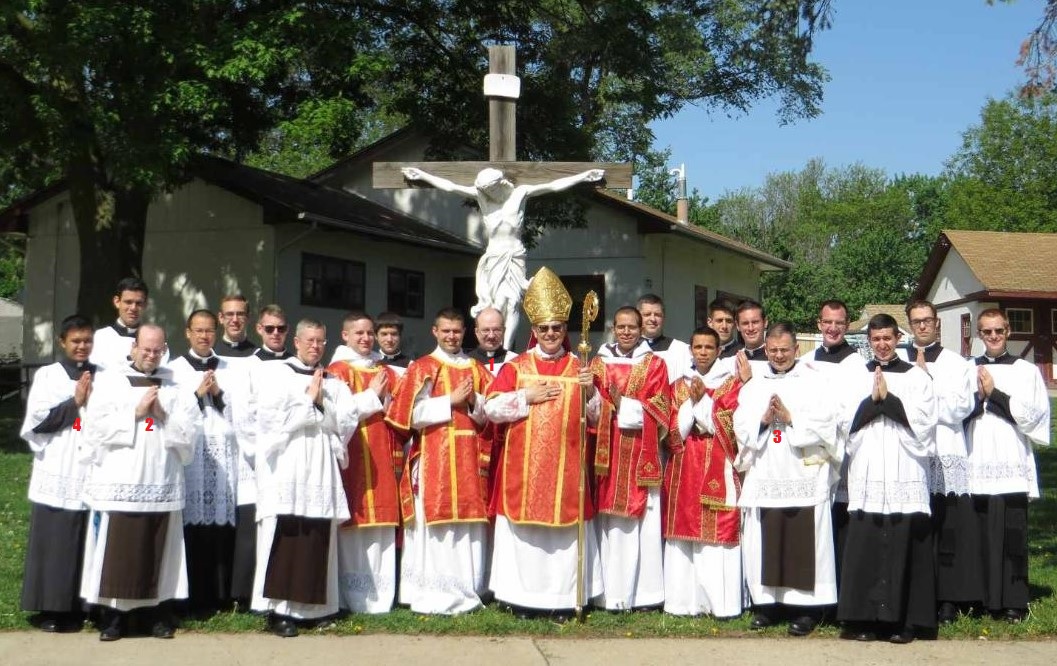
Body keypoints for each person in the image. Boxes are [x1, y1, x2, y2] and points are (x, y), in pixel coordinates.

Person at [483, 267, 603, 618]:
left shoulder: (580, 368)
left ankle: (563, 600)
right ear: (533, 331)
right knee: (524, 536)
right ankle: (520, 597)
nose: (550, 334)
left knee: (563, 540)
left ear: (565, 330)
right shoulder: (516, 367)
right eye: (544, 328)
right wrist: (526, 396)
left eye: (557, 328)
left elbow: (597, 417)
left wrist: (591, 390)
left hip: (567, 469)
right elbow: (490, 408)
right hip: (523, 468)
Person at [80, 324, 201, 641]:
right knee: (119, 551)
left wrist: (162, 413)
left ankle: (157, 615)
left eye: (157, 350)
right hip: (123, 480)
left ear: (164, 350)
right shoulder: (111, 382)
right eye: (146, 349)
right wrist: (135, 413)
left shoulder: (175, 385)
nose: (151, 355)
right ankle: (114, 618)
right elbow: (94, 430)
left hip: (162, 480)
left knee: (160, 550)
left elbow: (191, 436)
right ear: (134, 347)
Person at [401, 165, 604, 350]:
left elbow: (552, 186)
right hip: (495, 257)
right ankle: (494, 345)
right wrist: (422, 175)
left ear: (500, 184)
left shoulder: (520, 193)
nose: (490, 194)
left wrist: (584, 177)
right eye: (487, 191)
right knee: (496, 303)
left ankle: (506, 349)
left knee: (514, 301)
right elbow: (450, 187)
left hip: (515, 256)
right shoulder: (482, 198)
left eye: (492, 190)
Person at [251, 319, 358, 637]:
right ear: (296, 342)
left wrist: (320, 404)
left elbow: (347, 419)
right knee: (288, 530)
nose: (315, 346)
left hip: (322, 462)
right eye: (310, 340)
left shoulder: (335, 381)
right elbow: (270, 421)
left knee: (317, 530)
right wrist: (310, 402)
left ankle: (315, 608)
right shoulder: (276, 375)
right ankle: (280, 611)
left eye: (321, 341)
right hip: (289, 463)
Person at [734, 323, 840, 636]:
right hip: (767, 468)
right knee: (766, 537)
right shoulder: (753, 385)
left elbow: (828, 423)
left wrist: (791, 418)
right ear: (765, 350)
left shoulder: (814, 382)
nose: (779, 356)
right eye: (774, 350)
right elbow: (741, 424)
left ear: (797, 350)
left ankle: (805, 610)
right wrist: (764, 420)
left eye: (785, 350)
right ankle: (768, 606)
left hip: (802, 469)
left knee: (802, 538)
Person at [837, 314, 937, 644]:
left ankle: (904, 621)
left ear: (898, 339)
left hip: (903, 471)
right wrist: (871, 402)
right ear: (869, 341)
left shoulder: (916, 377)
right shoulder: (854, 377)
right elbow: (841, 421)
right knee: (865, 545)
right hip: (868, 472)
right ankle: (862, 619)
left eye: (888, 338)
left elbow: (925, 424)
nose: (882, 345)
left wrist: (889, 401)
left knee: (903, 543)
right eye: (876, 339)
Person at [385, 308, 493, 614]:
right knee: (436, 526)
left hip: (469, 457)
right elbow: (407, 415)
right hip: (434, 457)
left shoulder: (476, 368)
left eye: (457, 331)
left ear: (465, 333)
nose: (451, 336)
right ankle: (432, 593)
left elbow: (491, 414)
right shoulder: (422, 367)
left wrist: (473, 401)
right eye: (446, 331)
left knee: (467, 525)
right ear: (435, 331)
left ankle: (468, 589)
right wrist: (450, 401)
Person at [964, 308, 1051, 623]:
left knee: (1012, 535)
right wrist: (977, 399)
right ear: (979, 335)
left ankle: (1013, 601)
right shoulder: (967, 369)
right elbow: (954, 411)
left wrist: (995, 394)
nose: (994, 337)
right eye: (987, 332)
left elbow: (1035, 416)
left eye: (999, 331)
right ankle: (983, 599)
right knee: (979, 535)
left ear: (1009, 331)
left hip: (1011, 462)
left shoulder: (1025, 371)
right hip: (976, 461)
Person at [899, 300, 979, 623]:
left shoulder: (957, 363)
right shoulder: (898, 360)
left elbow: (961, 407)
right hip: (911, 453)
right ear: (909, 324)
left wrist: (924, 386)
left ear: (936, 324)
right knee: (918, 530)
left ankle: (948, 598)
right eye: (916, 321)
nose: (921, 326)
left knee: (948, 529)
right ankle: (919, 595)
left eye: (927, 320)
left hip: (947, 451)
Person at [661, 326, 749, 618]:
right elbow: (672, 430)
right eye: (697, 347)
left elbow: (730, 428)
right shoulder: (677, 385)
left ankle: (720, 604)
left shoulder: (731, 384)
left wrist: (702, 403)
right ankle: (683, 602)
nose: (702, 353)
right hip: (684, 467)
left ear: (719, 350)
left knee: (715, 535)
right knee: (684, 534)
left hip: (717, 464)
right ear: (690, 350)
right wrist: (692, 407)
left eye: (709, 347)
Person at [590, 306, 671, 610]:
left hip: (639, 453)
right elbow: (591, 412)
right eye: (621, 327)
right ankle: (605, 593)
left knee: (642, 525)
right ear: (613, 328)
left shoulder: (654, 364)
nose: (626, 332)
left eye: (632, 327)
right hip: (605, 454)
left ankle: (642, 594)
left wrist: (623, 403)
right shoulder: (598, 362)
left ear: (641, 329)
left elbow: (661, 410)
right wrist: (591, 396)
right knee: (605, 521)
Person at [20, 315, 96, 633]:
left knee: (83, 538)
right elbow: (39, 421)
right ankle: (51, 609)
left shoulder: (103, 376)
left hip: (90, 467)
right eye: (75, 341)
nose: (81, 346)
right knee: (54, 540)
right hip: (58, 463)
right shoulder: (48, 376)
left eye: (87, 341)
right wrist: (75, 401)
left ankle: (80, 607)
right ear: (62, 342)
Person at [167, 309, 243, 615]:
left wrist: (219, 393)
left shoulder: (230, 367)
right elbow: (168, 415)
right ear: (188, 333)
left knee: (221, 524)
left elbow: (243, 413)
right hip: (192, 454)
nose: (204, 336)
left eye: (209, 330)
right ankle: (193, 597)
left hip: (224, 453)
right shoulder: (173, 370)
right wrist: (197, 395)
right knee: (193, 526)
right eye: (198, 331)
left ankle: (221, 595)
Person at [326, 313, 403, 614]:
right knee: (353, 526)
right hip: (352, 457)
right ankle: (353, 598)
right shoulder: (336, 371)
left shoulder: (385, 370)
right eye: (358, 333)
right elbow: (334, 415)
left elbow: (402, 410)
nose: (366, 339)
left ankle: (380, 599)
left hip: (383, 456)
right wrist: (372, 396)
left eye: (370, 333)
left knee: (382, 526)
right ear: (345, 336)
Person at [229, 304, 290, 609]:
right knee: (252, 528)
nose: (276, 334)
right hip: (255, 459)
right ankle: (243, 594)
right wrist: (258, 454)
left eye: (281, 328)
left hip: (288, 460)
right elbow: (241, 415)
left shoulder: (295, 364)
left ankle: (277, 588)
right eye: (270, 329)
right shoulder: (248, 367)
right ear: (259, 330)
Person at [805, 299, 863, 585]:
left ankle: (841, 585)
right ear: (819, 323)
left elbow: (853, 409)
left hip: (843, 451)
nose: (833, 328)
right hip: (813, 452)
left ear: (847, 325)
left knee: (841, 519)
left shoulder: (857, 365)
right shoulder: (806, 362)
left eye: (839, 323)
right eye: (827, 322)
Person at [90, 277, 169, 369]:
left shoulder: (155, 341)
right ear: (117, 302)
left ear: (146, 305)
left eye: (139, 303)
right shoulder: (101, 337)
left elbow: (161, 375)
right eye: (128, 302)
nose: (133, 308)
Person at [638, 294, 693, 383]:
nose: (653, 319)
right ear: (638, 318)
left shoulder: (681, 349)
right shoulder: (628, 350)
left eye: (657, 315)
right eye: (647, 314)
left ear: (664, 318)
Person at [468, 306, 517, 376]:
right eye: (486, 330)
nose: (491, 336)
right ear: (477, 332)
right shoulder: (465, 362)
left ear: (504, 331)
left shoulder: (516, 361)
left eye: (496, 330)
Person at [214, 295, 257, 359]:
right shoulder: (211, 354)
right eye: (230, 314)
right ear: (221, 318)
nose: (235, 320)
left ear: (248, 318)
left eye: (240, 314)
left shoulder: (257, 355)